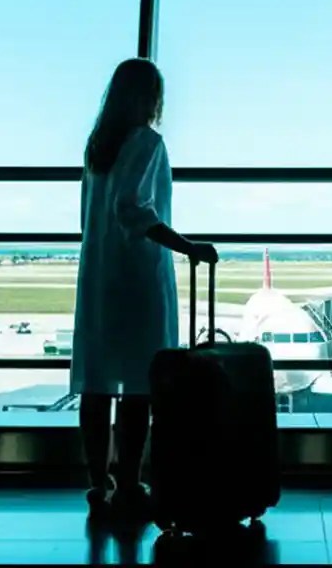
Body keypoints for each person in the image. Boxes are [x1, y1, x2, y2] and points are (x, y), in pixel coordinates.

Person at [73, 58, 218, 519]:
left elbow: (103, 212)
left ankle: (99, 484)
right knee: (138, 385)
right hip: (136, 280)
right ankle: (131, 484)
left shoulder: (98, 148)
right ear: (150, 96)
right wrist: (186, 247)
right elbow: (133, 209)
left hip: (98, 277)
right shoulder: (147, 142)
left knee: (97, 387)